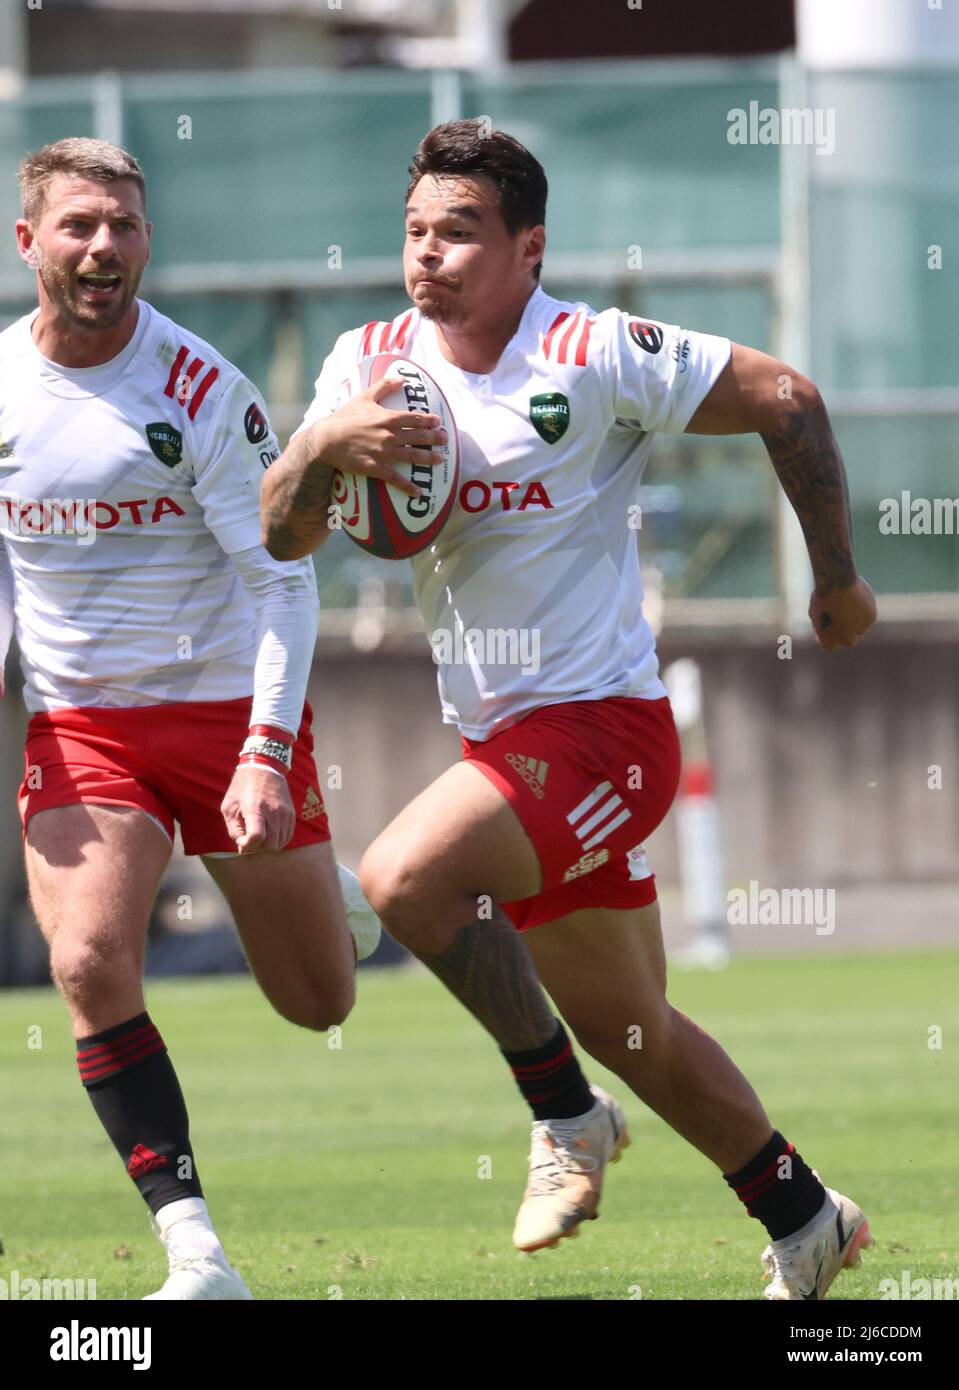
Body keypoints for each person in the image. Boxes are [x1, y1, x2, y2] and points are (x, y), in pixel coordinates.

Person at [261, 120, 878, 1300]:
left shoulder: (593, 352)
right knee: (636, 1029)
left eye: (460, 231)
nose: (428, 254)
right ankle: (806, 1216)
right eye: (414, 232)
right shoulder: (368, 362)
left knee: (400, 880)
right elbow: (283, 530)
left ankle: (561, 1115)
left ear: (529, 248)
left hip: (604, 729)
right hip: (502, 745)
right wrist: (321, 444)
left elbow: (788, 399)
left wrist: (838, 577)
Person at [0, 138, 376, 1302]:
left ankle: (339, 898)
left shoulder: (204, 390)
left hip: (224, 713)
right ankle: (197, 1254)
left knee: (317, 999)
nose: (103, 245)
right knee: (87, 958)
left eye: (122, 224)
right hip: (82, 727)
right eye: (78, 225)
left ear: (146, 240)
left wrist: (267, 749)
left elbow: (281, 578)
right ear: (30, 244)